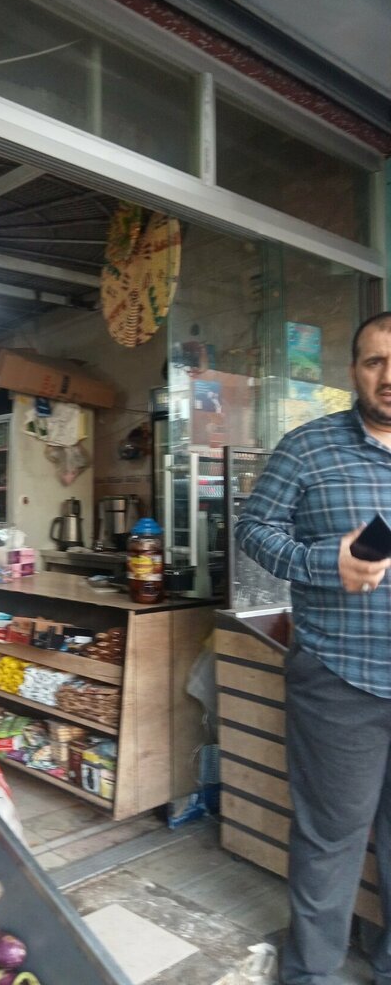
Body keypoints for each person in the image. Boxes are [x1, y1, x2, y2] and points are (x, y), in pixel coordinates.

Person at [236, 312, 391, 985]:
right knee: (331, 841)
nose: (389, 376)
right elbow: (254, 529)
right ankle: (313, 974)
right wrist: (326, 562)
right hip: (341, 677)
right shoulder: (308, 448)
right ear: (352, 372)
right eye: (374, 361)